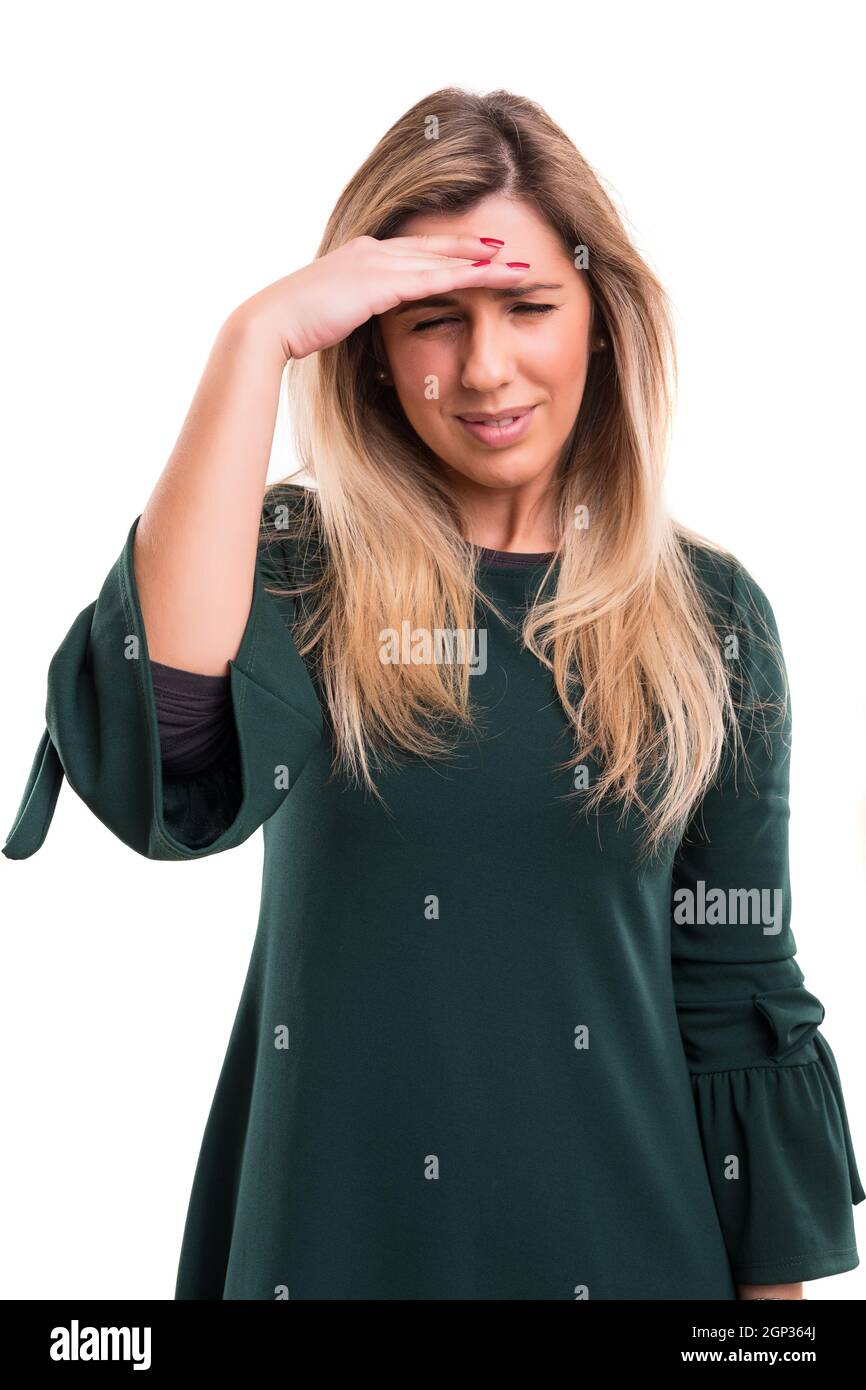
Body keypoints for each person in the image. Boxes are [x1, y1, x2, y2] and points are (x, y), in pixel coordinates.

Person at [4, 86, 863, 1301]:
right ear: (369, 344)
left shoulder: (706, 615)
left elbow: (737, 996)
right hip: (331, 1248)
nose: (484, 368)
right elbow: (163, 736)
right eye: (432, 320)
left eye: (528, 307)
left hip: (632, 1255)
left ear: (600, 323)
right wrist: (256, 337)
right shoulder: (297, 569)